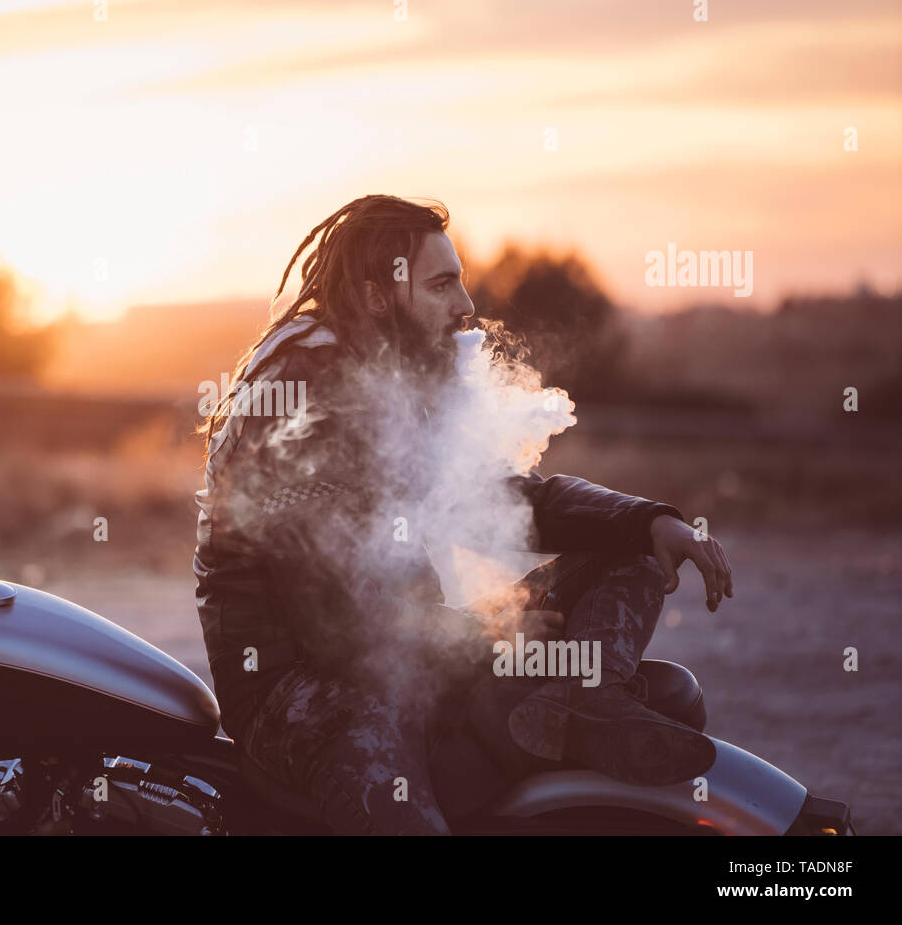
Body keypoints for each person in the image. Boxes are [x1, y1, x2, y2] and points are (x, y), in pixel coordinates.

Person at [193, 194, 733, 834]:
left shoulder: (394, 369)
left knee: (630, 551)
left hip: (408, 633)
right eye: (442, 284)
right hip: (303, 684)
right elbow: (337, 617)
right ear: (375, 295)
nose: (466, 306)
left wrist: (647, 519)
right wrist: (491, 643)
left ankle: (587, 703)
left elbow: (499, 494)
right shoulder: (301, 395)